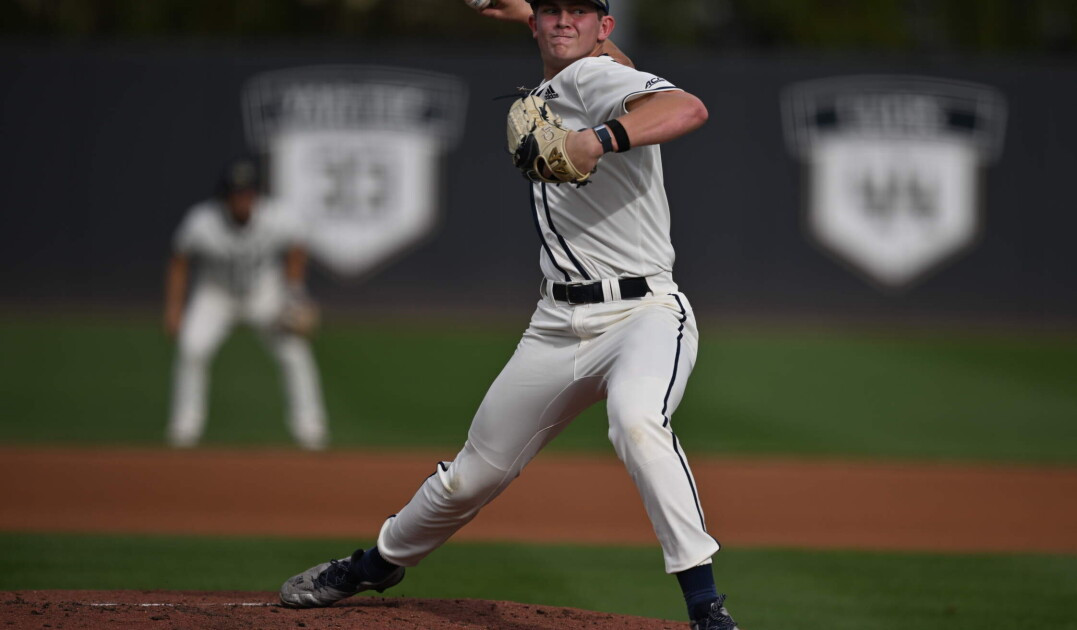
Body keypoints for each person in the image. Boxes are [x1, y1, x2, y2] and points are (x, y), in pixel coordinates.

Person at [279, 1, 741, 628]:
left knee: (636, 420)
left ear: (605, 27)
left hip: (644, 313)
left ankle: (706, 607)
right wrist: (536, 11)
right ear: (533, 24)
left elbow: (689, 107)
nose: (562, 21)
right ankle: (374, 564)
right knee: (471, 477)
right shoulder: (573, 76)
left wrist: (597, 138)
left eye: (581, 12)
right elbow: (597, 56)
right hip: (555, 325)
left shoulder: (595, 79)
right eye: (551, 11)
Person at [164, 156, 329, 451]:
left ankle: (311, 430)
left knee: (294, 352)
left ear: (257, 194)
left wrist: (293, 292)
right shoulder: (202, 221)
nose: (243, 199)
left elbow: (297, 246)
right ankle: (184, 429)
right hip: (215, 294)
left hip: (264, 293)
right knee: (192, 349)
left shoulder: (277, 216)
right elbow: (180, 259)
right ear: (224, 196)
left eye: (248, 192)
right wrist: (174, 308)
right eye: (236, 193)